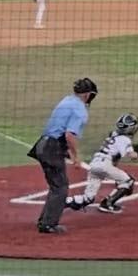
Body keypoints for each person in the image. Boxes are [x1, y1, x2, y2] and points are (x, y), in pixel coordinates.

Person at [28, 78, 97, 234]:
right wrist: (76, 157)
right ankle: (48, 224)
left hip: (42, 146)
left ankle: (45, 220)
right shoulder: (80, 110)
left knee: (56, 185)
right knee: (61, 187)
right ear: (87, 95)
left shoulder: (66, 100)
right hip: (52, 149)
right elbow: (69, 135)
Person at [64, 113, 138, 215]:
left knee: (88, 198)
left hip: (94, 165)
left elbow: (115, 157)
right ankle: (107, 203)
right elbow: (132, 156)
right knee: (128, 181)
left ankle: (64, 202)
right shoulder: (124, 139)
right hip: (104, 165)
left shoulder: (114, 135)